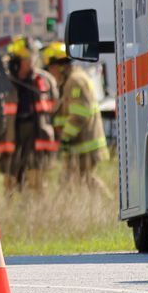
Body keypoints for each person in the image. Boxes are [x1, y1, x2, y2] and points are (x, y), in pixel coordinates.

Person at [40, 41, 110, 196]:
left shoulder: (75, 81)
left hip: (84, 144)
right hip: (77, 145)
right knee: (74, 180)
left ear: (59, 66)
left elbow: (79, 113)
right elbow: (63, 114)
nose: (50, 73)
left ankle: (107, 202)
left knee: (83, 179)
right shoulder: (67, 82)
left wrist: (64, 137)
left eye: (50, 68)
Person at [0, 36, 59, 192]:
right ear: (15, 61)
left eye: (31, 58)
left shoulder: (44, 80)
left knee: (36, 183)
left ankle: (36, 213)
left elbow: (55, 106)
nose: (29, 63)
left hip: (36, 136)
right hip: (11, 136)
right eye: (25, 59)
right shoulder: (2, 82)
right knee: (10, 184)